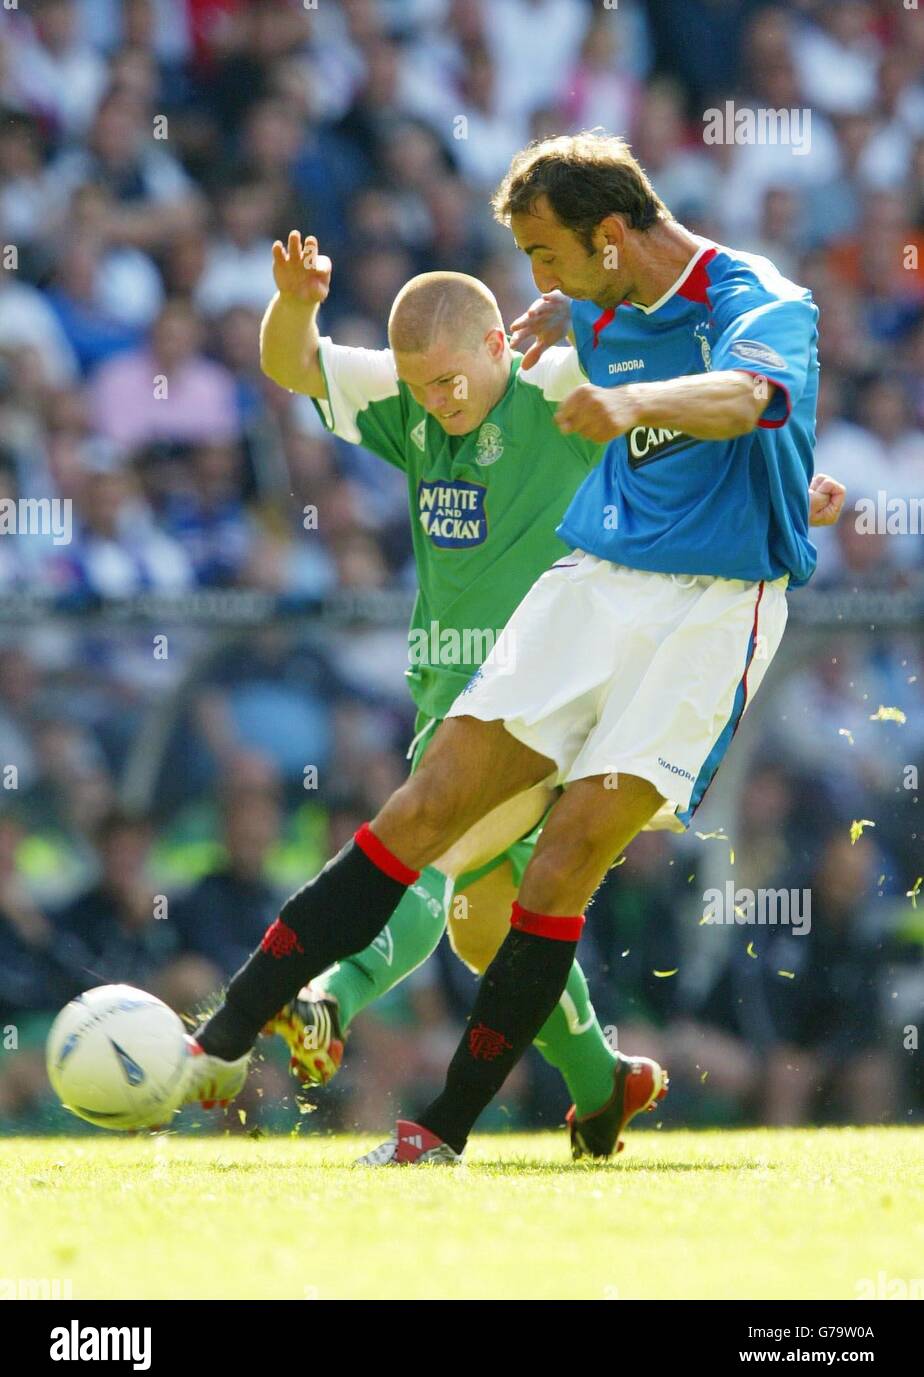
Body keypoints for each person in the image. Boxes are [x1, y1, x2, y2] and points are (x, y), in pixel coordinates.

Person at [185, 133, 843, 1166]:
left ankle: (437, 1130)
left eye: (546, 253)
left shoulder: (758, 298)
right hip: (598, 579)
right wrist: (564, 311)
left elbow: (754, 397)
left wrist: (638, 408)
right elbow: (305, 361)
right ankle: (213, 1044)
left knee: (558, 866)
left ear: (612, 235)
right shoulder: (585, 308)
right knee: (431, 819)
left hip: (717, 607)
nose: (536, 278)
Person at [256, 229, 664, 1156]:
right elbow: (293, 365)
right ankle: (605, 1085)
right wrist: (298, 303)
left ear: (497, 348)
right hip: (450, 700)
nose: (436, 404)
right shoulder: (412, 399)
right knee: (488, 933)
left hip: (544, 702)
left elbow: (674, 354)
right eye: (420, 385)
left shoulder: (555, 387)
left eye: (450, 383)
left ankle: (331, 999)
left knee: (425, 853)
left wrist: (596, 312)